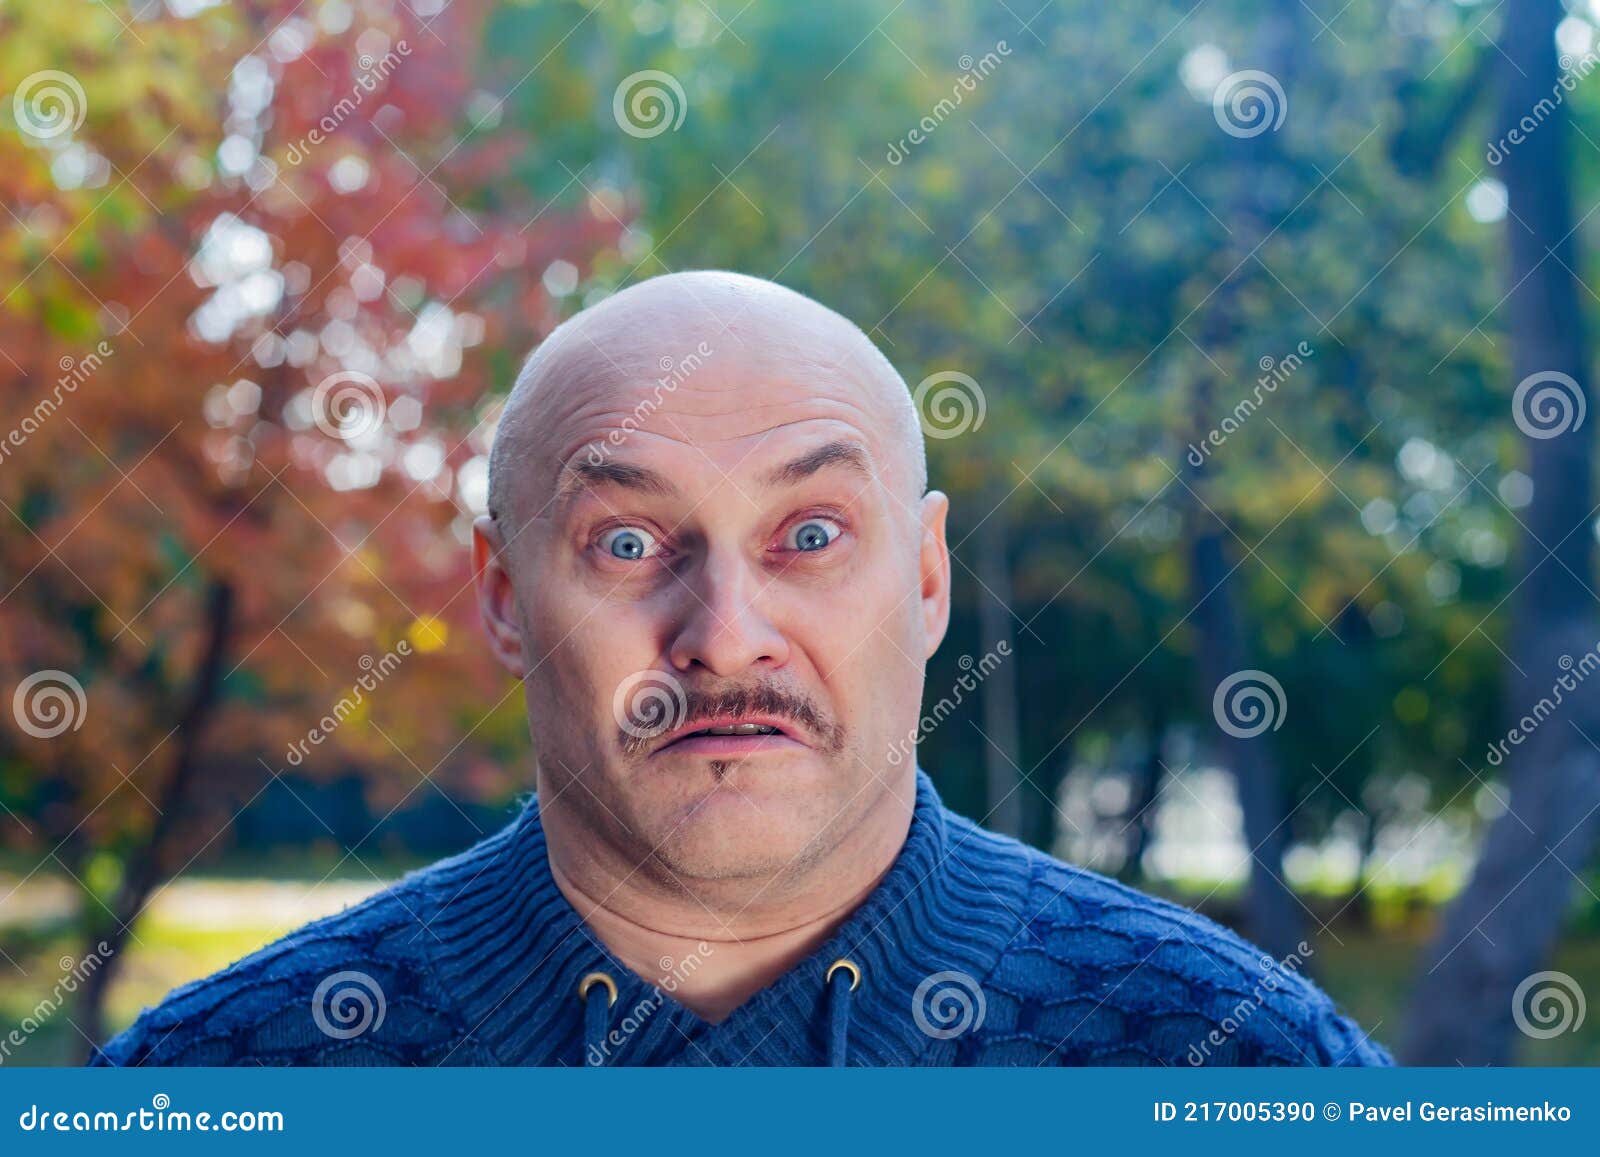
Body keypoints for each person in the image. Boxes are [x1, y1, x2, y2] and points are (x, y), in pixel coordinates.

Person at [92, 271, 1389, 1066]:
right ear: (502, 596)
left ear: (927, 580)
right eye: (629, 540)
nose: (723, 631)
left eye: (811, 535)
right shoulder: (218, 1079)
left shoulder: (1237, 1059)